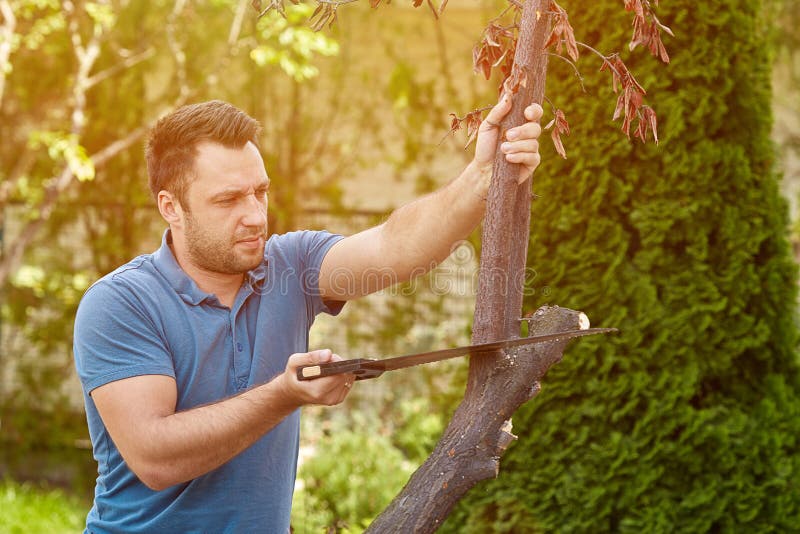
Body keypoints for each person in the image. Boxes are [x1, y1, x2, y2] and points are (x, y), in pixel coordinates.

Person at [73, 95, 543, 533]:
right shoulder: (121, 303)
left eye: (260, 192)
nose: (256, 215)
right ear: (170, 207)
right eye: (229, 200)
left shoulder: (291, 265)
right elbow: (156, 458)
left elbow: (397, 246)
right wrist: (283, 394)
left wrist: (481, 178)